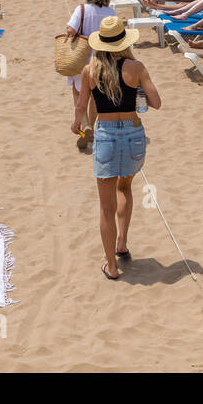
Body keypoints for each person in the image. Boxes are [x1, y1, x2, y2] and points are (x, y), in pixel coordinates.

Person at [71, 17, 161, 281]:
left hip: (107, 136)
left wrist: (79, 123)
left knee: (105, 206)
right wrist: (138, 91)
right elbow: (156, 102)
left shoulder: (91, 69)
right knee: (125, 188)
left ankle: (112, 266)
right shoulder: (136, 67)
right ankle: (122, 242)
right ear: (124, 41)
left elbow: (82, 109)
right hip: (133, 134)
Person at [64, 0, 111, 149]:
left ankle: (86, 126)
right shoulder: (110, 12)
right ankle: (91, 125)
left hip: (82, 59)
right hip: (103, 60)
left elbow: (71, 29)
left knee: (79, 94)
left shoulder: (82, 9)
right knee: (95, 97)